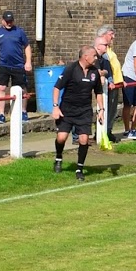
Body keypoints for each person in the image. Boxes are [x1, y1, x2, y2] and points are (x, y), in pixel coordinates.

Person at [51, 45, 102, 180]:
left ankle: (80, 168)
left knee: (84, 139)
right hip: (67, 110)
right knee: (61, 137)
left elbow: (99, 92)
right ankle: (58, 157)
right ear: (86, 57)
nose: (96, 58)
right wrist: (55, 107)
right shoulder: (71, 69)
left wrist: (101, 110)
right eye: (94, 56)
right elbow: (56, 88)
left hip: (84, 111)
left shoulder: (94, 72)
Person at [0, 10, 32, 121]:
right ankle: (2, 115)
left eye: (11, 21)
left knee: (21, 89)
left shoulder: (19, 32)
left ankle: (23, 112)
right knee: (1, 88)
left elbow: (27, 46)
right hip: (4, 65)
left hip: (18, 66)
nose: (9, 23)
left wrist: (28, 62)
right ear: (2, 21)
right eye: (7, 21)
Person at [94, 25, 121, 143]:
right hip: (106, 87)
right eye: (111, 34)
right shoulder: (101, 53)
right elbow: (101, 69)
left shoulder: (108, 51)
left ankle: (107, 131)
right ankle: (101, 132)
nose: (113, 37)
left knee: (112, 109)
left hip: (114, 84)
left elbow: (110, 68)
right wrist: (107, 78)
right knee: (105, 109)